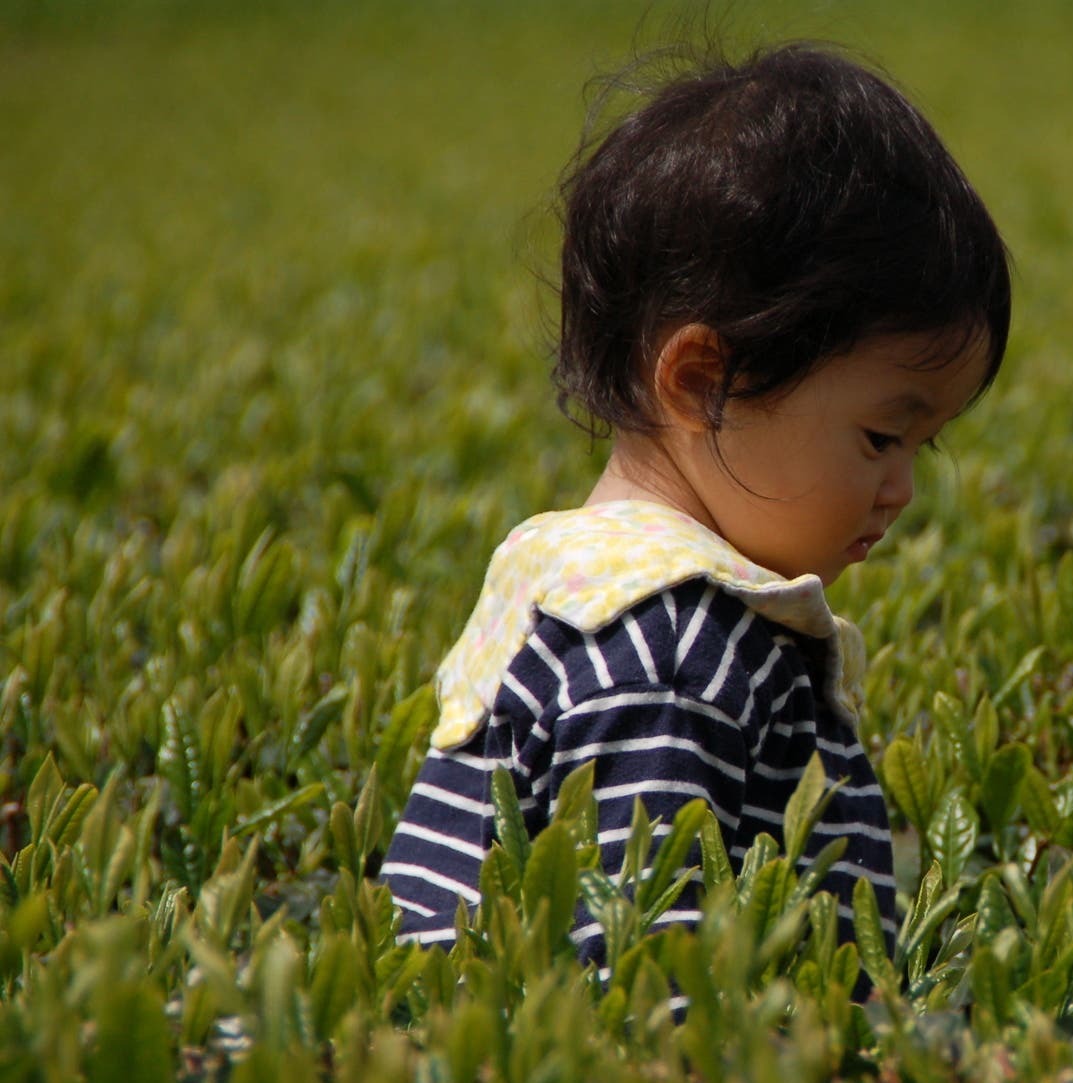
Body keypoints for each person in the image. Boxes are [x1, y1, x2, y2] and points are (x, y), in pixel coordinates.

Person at [376, 42, 1011, 985]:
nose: (903, 489)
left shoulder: (587, 591)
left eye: (924, 447)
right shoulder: (674, 654)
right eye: (882, 437)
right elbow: (643, 967)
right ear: (703, 383)